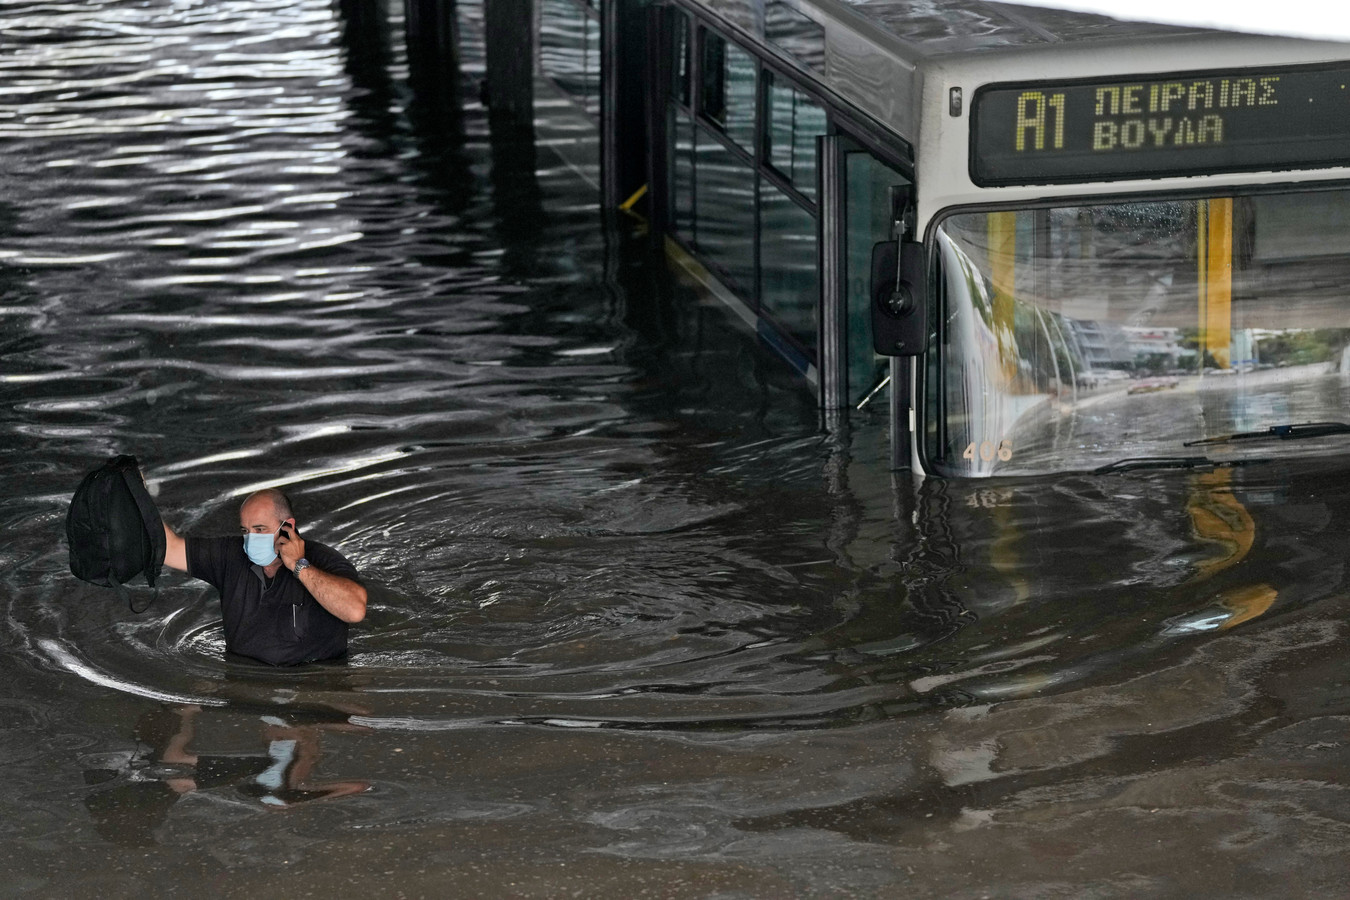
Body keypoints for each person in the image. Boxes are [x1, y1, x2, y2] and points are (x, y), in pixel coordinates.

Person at [162, 488, 366, 666]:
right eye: (245, 530)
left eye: (260, 529)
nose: (251, 539)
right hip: (243, 682)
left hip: (311, 688)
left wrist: (299, 566)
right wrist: (134, 487)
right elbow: (169, 549)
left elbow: (355, 610)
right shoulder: (231, 555)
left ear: (288, 526)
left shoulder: (323, 559)